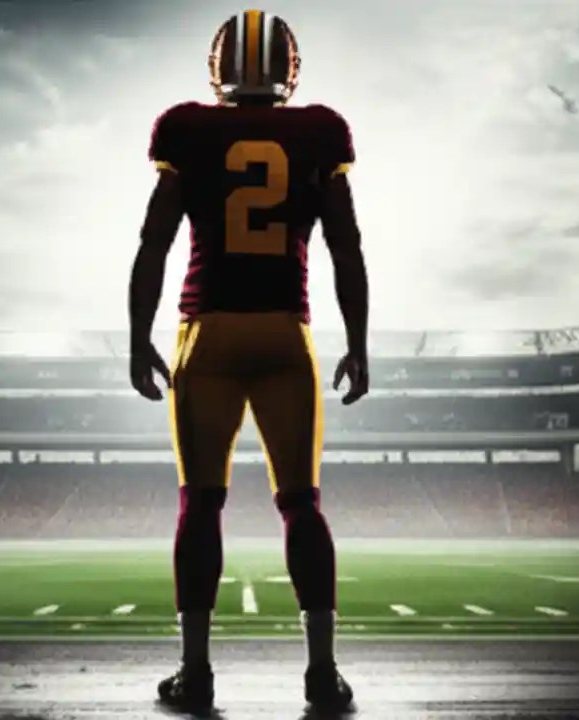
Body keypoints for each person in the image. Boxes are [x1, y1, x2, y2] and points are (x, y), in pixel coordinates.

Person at [126, 9, 370, 713]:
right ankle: (322, 672)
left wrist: (137, 334)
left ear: (219, 66)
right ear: (289, 67)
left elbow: (154, 242)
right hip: (285, 331)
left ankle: (195, 672)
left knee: (201, 503)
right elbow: (345, 246)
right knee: (301, 504)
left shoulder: (186, 128)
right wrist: (358, 341)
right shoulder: (320, 131)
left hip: (207, 332)